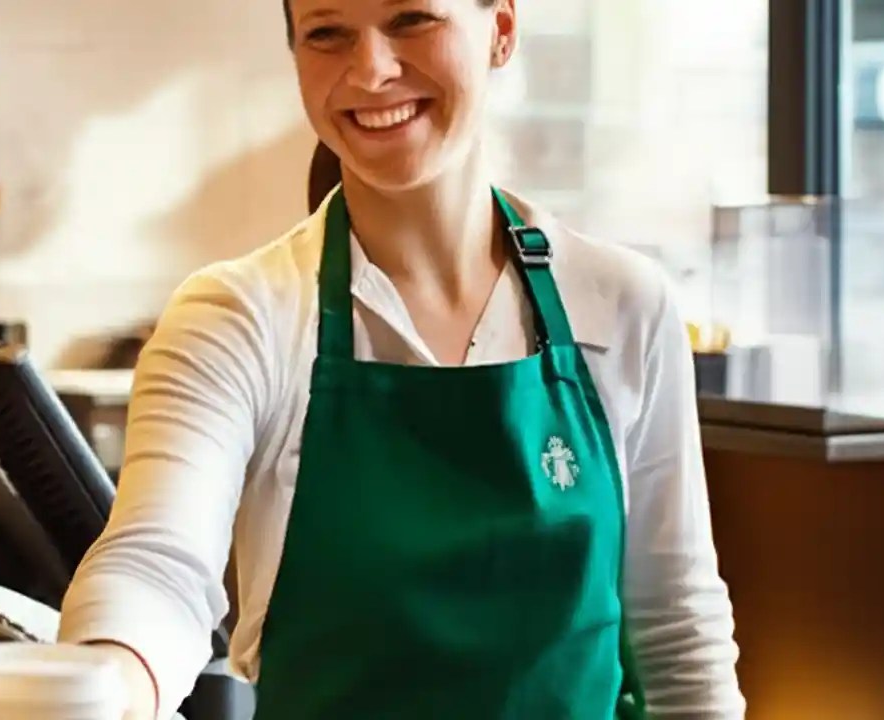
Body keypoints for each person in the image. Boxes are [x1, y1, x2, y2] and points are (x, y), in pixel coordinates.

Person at [57, 1, 746, 718]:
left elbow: (677, 627)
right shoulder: (238, 316)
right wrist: (97, 689)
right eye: (327, 33)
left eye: (413, 18)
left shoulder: (624, 304)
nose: (371, 69)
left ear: (502, 30)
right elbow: (159, 567)